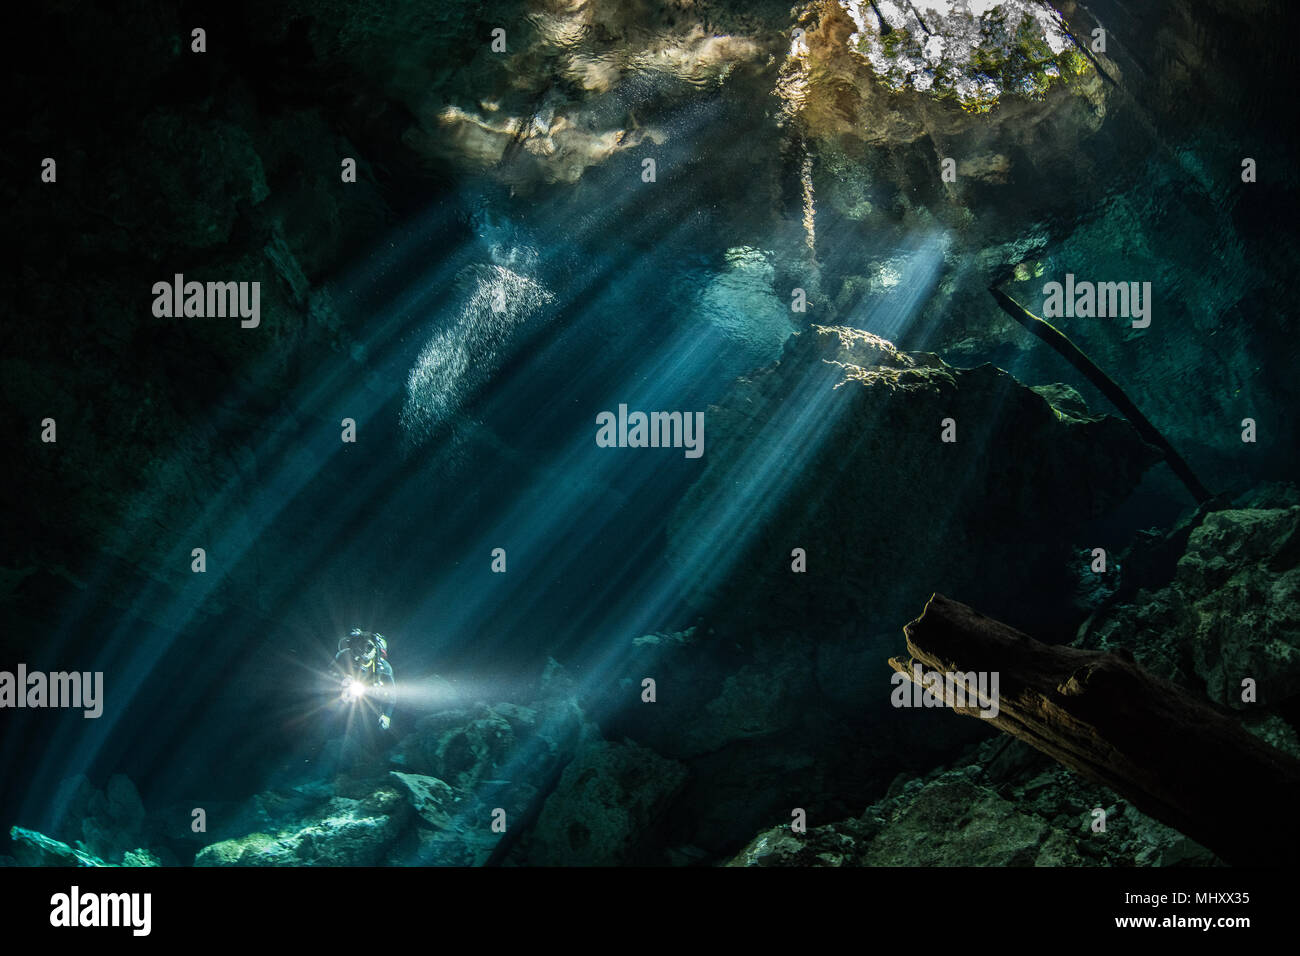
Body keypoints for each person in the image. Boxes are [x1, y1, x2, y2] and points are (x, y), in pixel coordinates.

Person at [335, 627, 395, 730]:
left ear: (376, 649)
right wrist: (341, 680)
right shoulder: (344, 658)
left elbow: (392, 694)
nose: (365, 651)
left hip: (371, 705)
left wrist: (387, 716)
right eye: (361, 646)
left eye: (369, 647)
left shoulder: (384, 668)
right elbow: (329, 674)